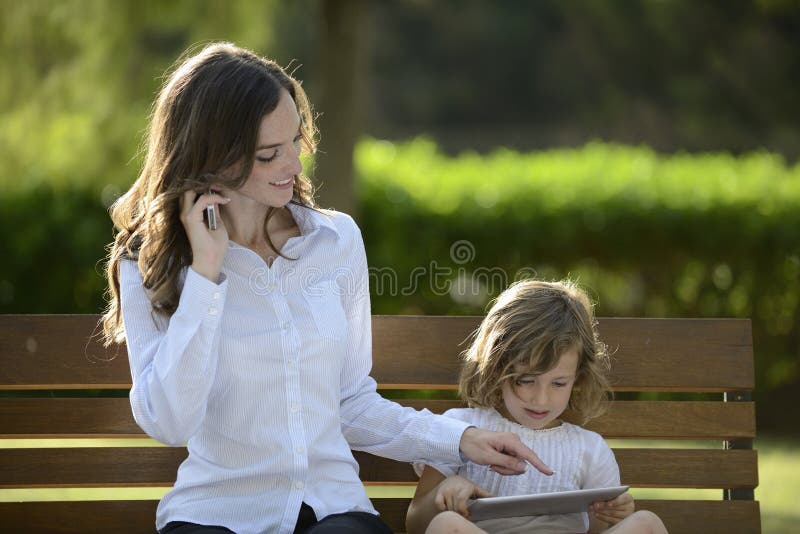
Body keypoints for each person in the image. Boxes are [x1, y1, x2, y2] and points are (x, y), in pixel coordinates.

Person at [101, 42, 552, 534]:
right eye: (269, 154)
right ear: (211, 157)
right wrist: (206, 275)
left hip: (333, 508)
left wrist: (458, 438)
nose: (294, 166)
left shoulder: (336, 242)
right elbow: (170, 422)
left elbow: (351, 401)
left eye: (296, 141)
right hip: (216, 512)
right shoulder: (151, 261)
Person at [406, 280, 669, 534]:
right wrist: (444, 494)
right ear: (497, 367)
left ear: (578, 377)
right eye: (527, 380)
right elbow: (416, 524)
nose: (541, 399)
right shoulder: (459, 431)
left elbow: (598, 530)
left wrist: (611, 514)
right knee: (445, 525)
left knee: (646, 522)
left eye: (558, 383)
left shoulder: (590, 449)